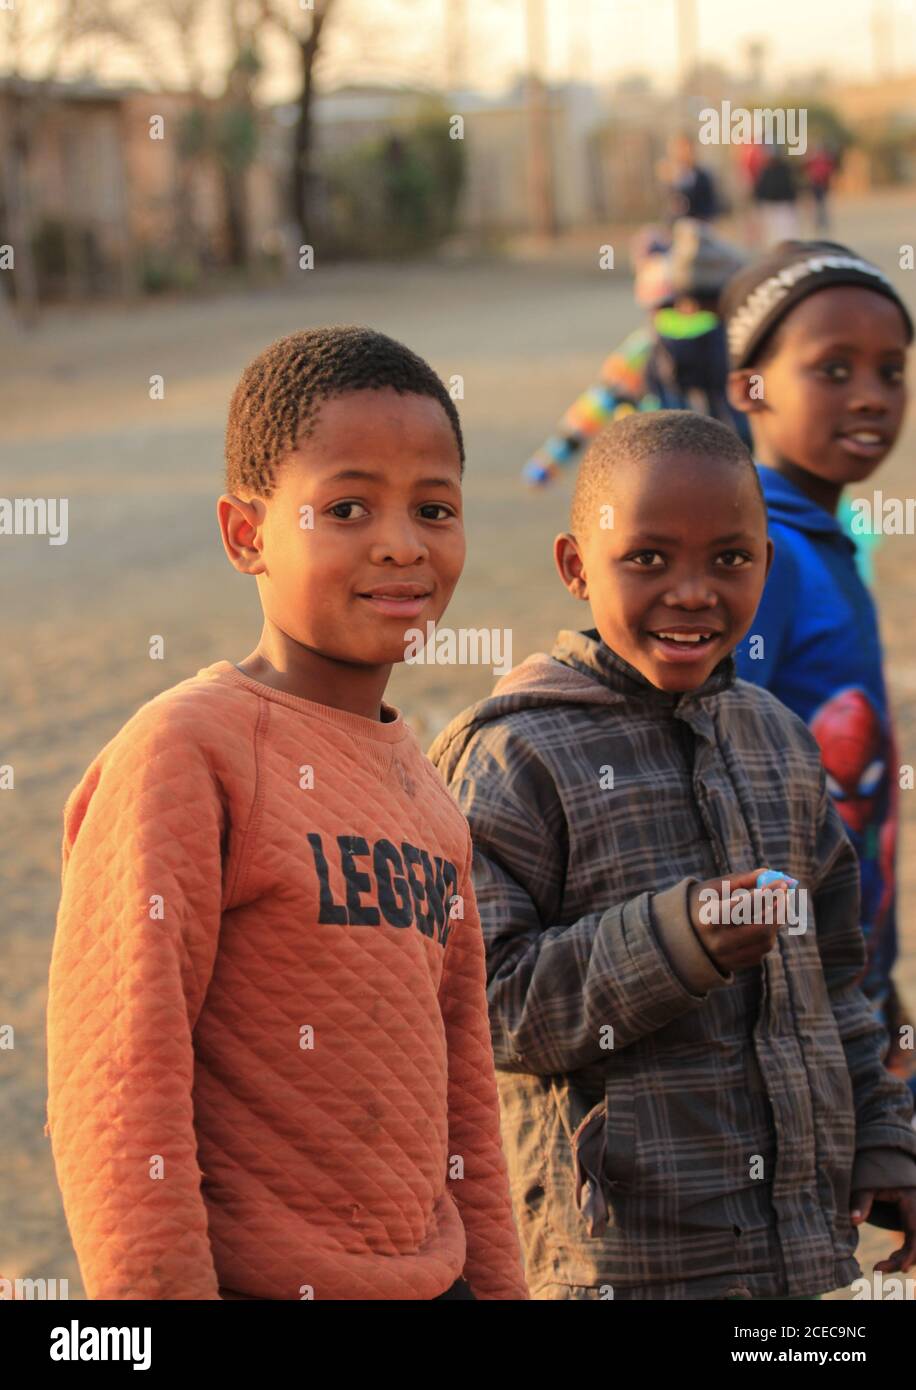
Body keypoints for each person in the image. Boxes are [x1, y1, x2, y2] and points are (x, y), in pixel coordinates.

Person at [45, 325, 528, 1302]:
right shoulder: (188, 753)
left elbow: (466, 1096)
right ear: (246, 534)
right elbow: (120, 1085)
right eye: (346, 506)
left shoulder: (429, 792)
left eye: (433, 508)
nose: (401, 541)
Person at [429, 410, 916, 1300]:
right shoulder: (515, 757)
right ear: (577, 567)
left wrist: (886, 1138)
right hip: (620, 1266)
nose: (693, 593)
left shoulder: (779, 744)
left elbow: (838, 980)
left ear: (766, 566)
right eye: (648, 559)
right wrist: (674, 942)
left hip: (804, 1263)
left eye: (730, 559)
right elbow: (481, 1009)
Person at [721, 240, 916, 1099]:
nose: (872, 394)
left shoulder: (828, 540)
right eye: (832, 369)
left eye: (891, 370)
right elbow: (718, 775)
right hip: (785, 995)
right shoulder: (760, 554)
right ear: (748, 388)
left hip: (851, 971)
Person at [523, 218, 748, 486]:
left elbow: (598, 403)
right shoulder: (735, 339)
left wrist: (551, 459)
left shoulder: (643, 348)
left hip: (657, 469)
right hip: (733, 466)